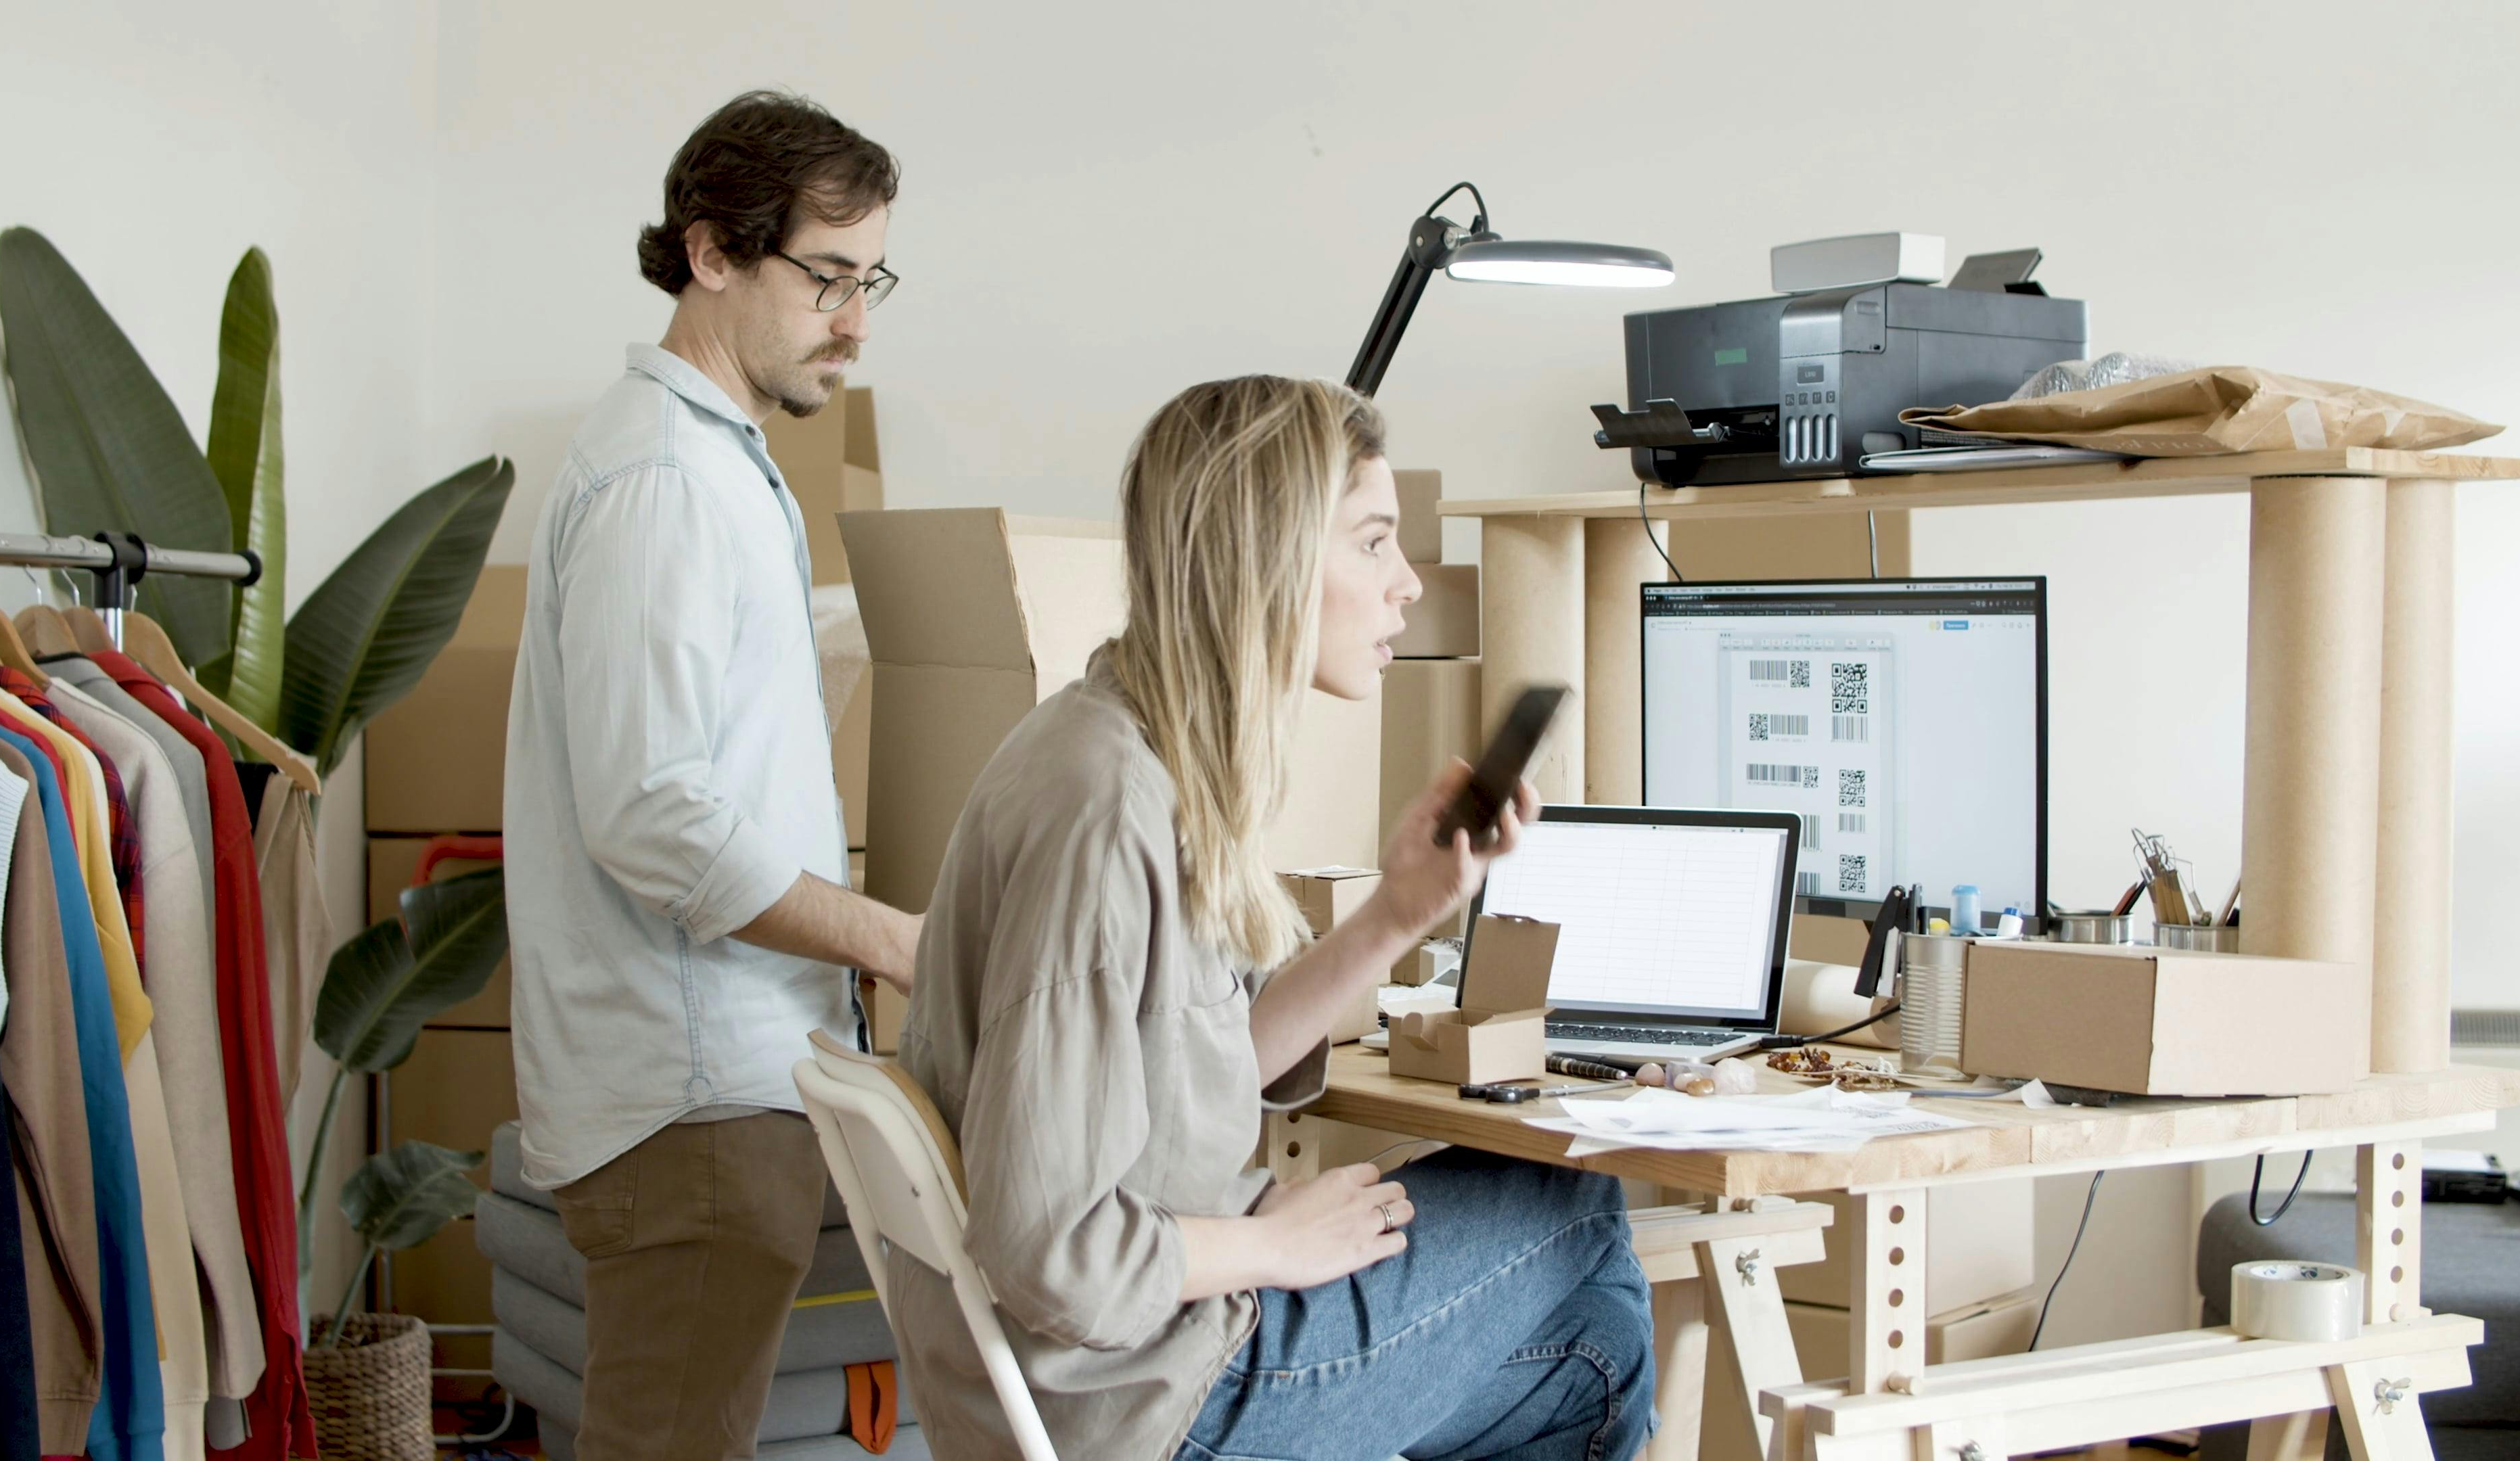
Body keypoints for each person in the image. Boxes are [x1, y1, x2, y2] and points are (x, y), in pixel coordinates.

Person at [890, 376, 1659, 1459]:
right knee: (1575, 1209)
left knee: (1593, 1343)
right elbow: (1048, 1250)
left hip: (1120, 1366)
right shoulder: (1108, 813)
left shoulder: (1132, 749)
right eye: (1374, 543)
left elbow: (1209, 1063)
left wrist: (1400, 910)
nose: (1407, 585)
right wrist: (1273, 1249)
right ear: (1269, 556)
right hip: (1153, 1397)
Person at [501, 90, 921, 1461]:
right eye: (827, 279)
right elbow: (657, 814)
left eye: (872, 283)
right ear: (712, 253)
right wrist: (888, 940)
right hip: (691, 1102)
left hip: (731, 1084)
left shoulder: (719, 466)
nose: (856, 322)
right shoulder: (665, 481)